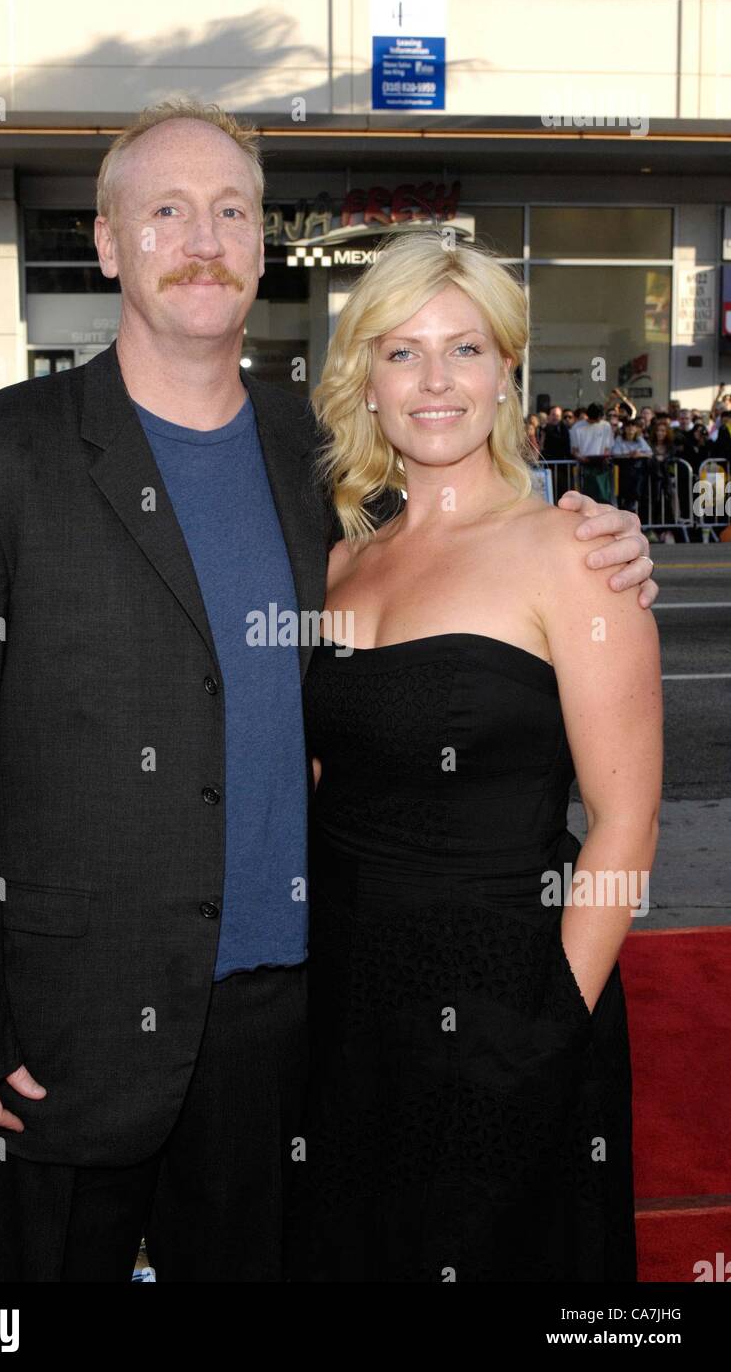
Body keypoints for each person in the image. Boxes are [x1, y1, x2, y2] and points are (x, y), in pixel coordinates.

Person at [0, 99, 659, 1285]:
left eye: (231, 210)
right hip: (64, 1027)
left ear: (261, 244)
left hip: (284, 1028)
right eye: (166, 211)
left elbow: (583, 770)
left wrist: (604, 534)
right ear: (105, 245)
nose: (202, 236)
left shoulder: (311, 467)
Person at [285, 230, 662, 1283]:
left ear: (506, 371)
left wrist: (543, 1031)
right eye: (400, 352)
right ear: (364, 380)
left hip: (514, 1003)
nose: (434, 380)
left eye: (463, 349)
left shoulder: (575, 554)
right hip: (348, 1010)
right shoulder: (339, 561)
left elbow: (625, 823)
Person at [570, 401, 614, 502]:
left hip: (602, 465)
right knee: (587, 496)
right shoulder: (577, 427)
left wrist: (605, 457)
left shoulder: (606, 426)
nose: (600, 419)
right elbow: (574, 450)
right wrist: (581, 458)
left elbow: (608, 447)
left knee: (604, 496)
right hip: (585, 466)